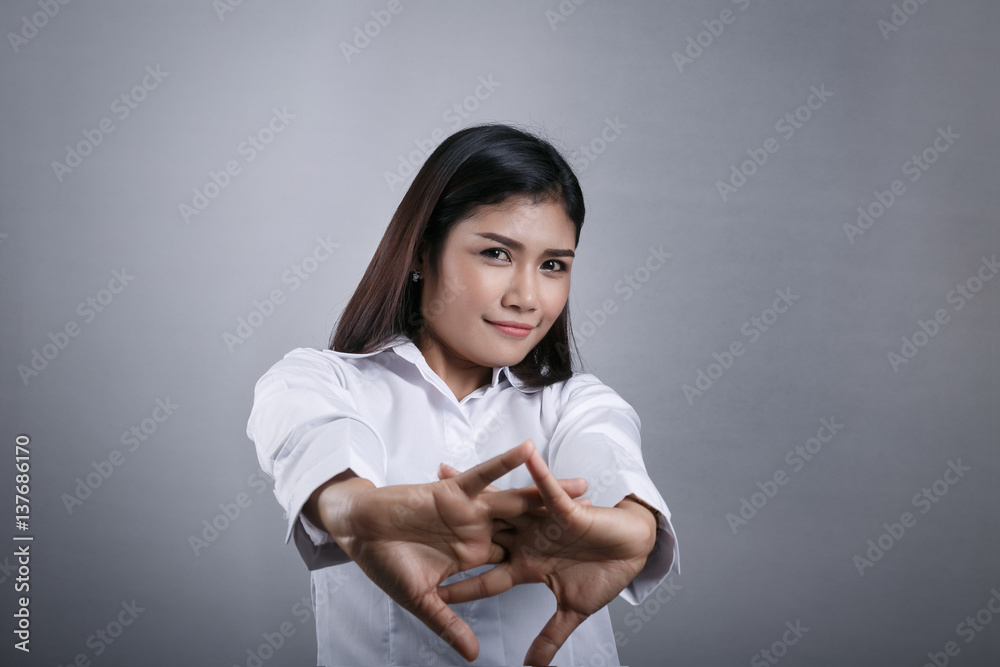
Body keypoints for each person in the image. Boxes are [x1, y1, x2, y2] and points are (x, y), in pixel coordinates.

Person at [246, 123, 679, 666]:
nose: (526, 297)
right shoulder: (319, 381)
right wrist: (356, 513)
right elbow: (313, 442)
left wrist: (633, 527)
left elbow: (610, 461)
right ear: (422, 253)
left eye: (553, 265)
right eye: (497, 254)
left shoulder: (577, 404)